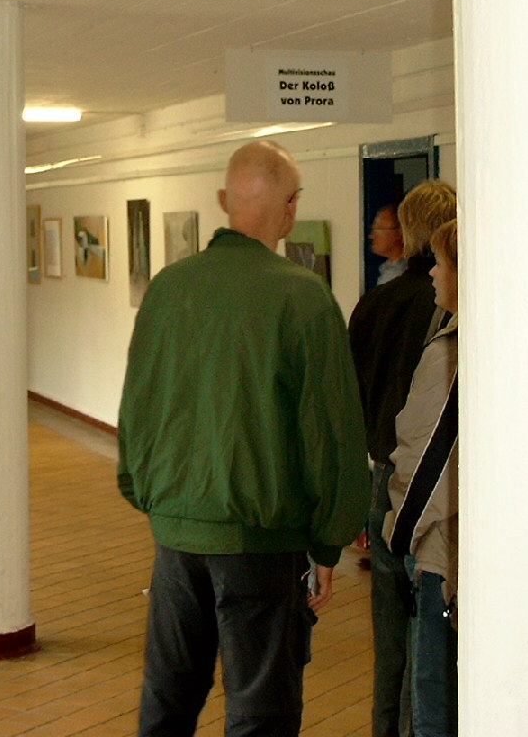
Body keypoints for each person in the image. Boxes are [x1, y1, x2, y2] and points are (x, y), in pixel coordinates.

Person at [117, 140, 371, 737]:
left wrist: (154, 498)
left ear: (223, 201)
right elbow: (331, 431)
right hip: (263, 542)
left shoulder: (168, 290)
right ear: (291, 206)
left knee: (168, 698)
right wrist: (329, 541)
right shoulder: (303, 298)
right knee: (261, 708)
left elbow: (138, 407)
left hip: (176, 535)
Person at [346, 181, 457, 737]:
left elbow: (351, 401)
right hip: (432, 489)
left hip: (381, 480)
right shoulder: (448, 313)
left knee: (389, 640)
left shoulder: (372, 306)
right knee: (430, 640)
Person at [385, 218, 460, 737]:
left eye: (443, 262)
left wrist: (398, 537)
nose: (432, 272)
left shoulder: (452, 352)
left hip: (441, 556)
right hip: (469, 554)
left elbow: (424, 464)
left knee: (433, 710)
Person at [371, 204, 407, 285]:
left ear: (400, 232)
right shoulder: (386, 269)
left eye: (378, 229)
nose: (372, 236)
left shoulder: (407, 273)